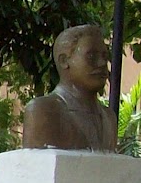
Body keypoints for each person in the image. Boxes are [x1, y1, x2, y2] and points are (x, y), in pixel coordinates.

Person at [21, 24, 119, 152]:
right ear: (64, 61)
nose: (102, 63)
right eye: (91, 56)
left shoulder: (109, 117)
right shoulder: (43, 110)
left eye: (105, 56)